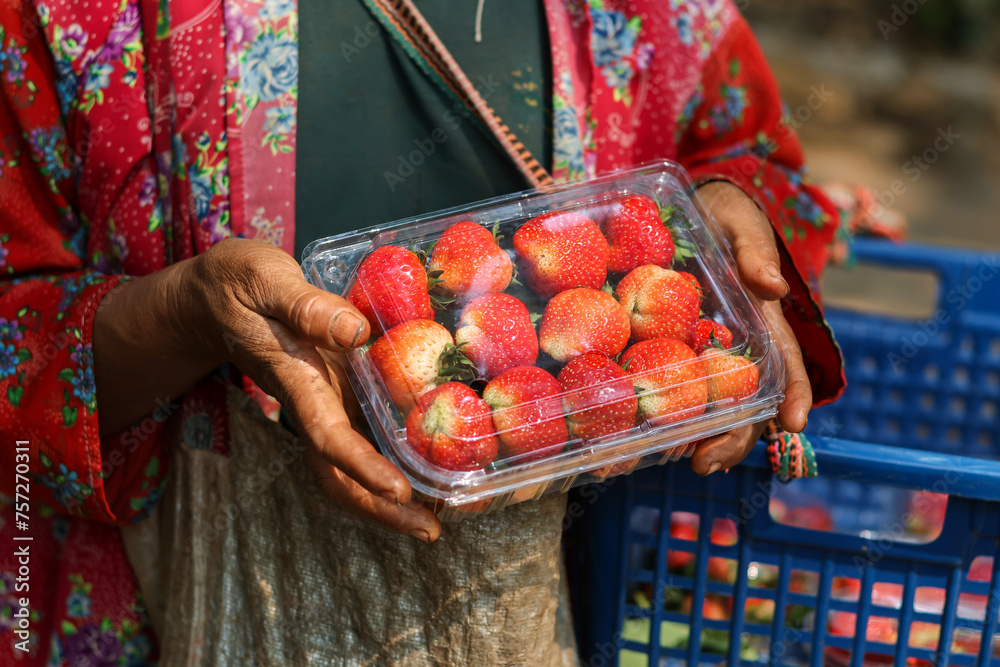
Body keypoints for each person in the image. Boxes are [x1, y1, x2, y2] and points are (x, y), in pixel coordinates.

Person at [0, 0, 845, 663]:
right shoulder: (71, 16)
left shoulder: (648, 11)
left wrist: (732, 223)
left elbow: (760, 162)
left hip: (555, 582)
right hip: (190, 591)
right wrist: (186, 313)